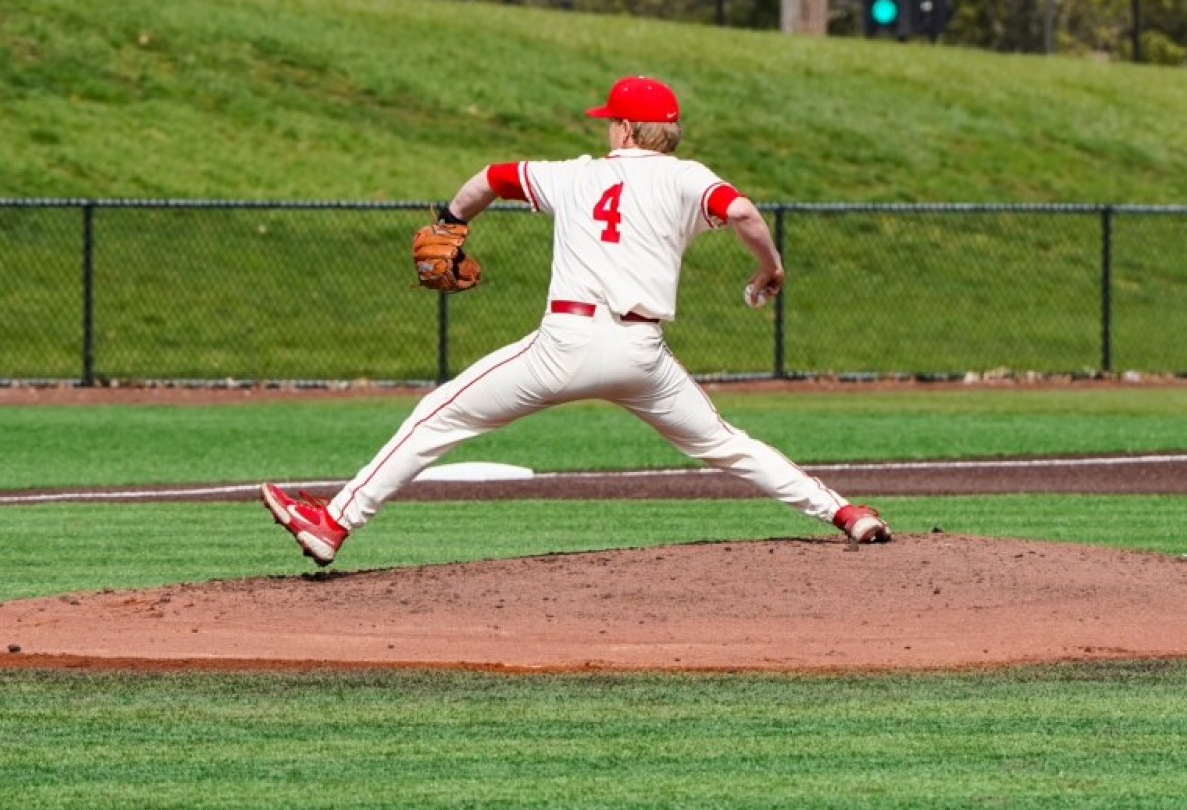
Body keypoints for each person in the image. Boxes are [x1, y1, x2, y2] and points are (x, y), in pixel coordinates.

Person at [261, 76, 892, 565]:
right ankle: (846, 515)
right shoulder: (687, 179)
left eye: (611, 123)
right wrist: (770, 269)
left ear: (623, 129)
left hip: (565, 344)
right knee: (724, 442)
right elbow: (745, 213)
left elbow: (490, 177)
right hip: (641, 356)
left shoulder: (574, 176)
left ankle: (335, 521)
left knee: (439, 415)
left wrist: (451, 220)